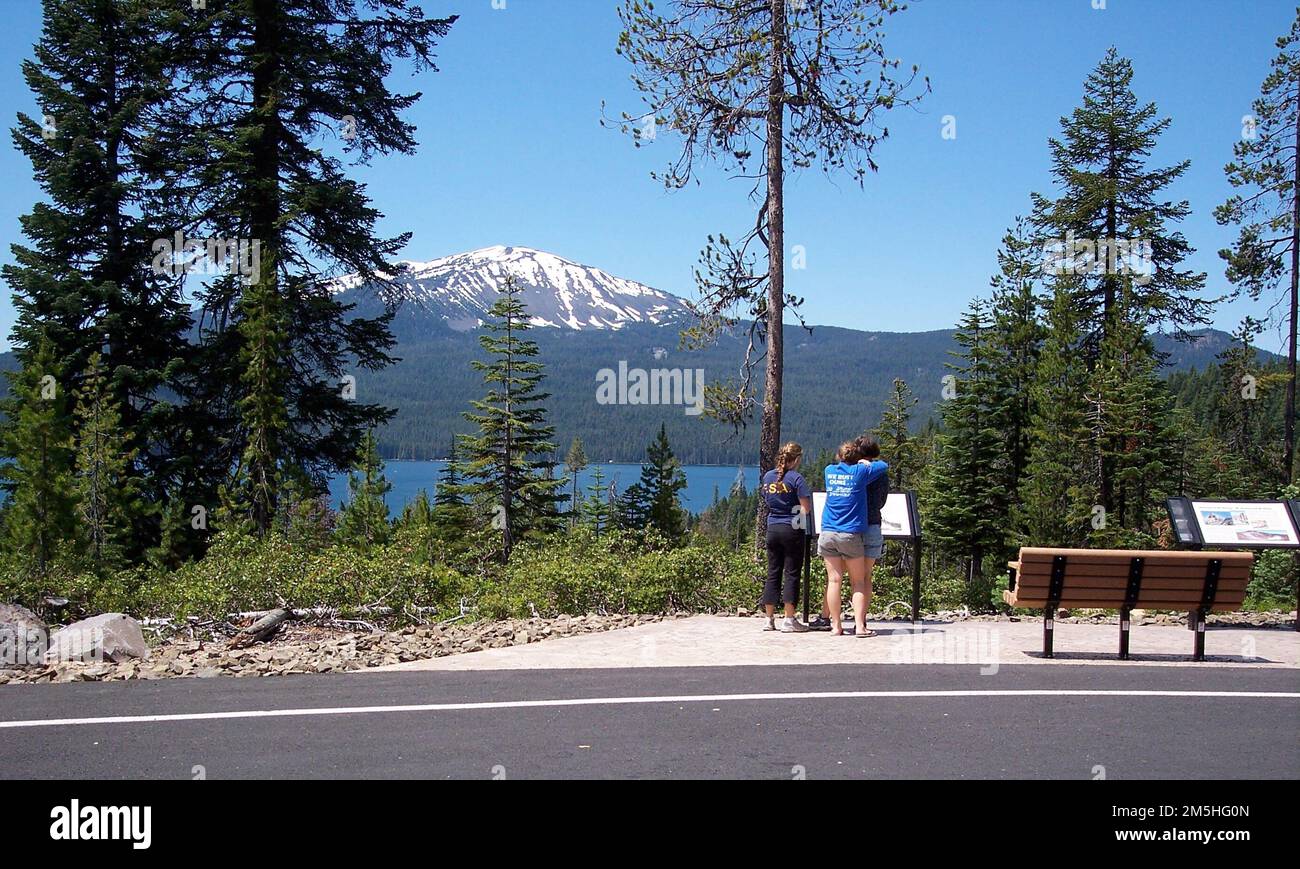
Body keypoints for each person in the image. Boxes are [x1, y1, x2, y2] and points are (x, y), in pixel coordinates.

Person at [817, 439, 888, 636]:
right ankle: (860, 625)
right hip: (854, 531)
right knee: (861, 580)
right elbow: (883, 465)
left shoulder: (829, 471)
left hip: (828, 530)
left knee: (834, 580)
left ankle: (835, 625)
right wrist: (866, 464)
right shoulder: (864, 472)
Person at [759, 442, 813, 632]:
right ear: (797, 459)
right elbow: (804, 509)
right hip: (791, 529)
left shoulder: (768, 477)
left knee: (773, 572)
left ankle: (768, 618)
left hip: (772, 528)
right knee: (791, 573)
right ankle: (789, 619)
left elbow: (767, 501)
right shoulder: (796, 479)